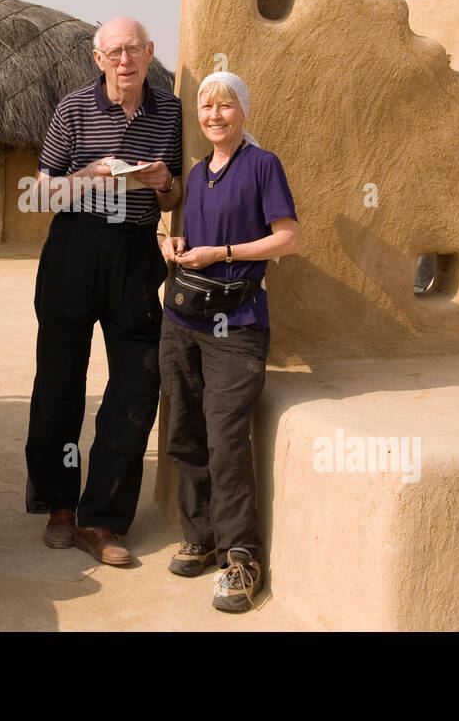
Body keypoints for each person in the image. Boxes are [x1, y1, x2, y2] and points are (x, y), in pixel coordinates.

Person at [25, 17, 183, 565]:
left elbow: (173, 195)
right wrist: (88, 175)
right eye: (114, 51)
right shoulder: (73, 108)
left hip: (135, 254)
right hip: (73, 248)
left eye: (134, 49)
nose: (124, 60)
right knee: (60, 382)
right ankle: (60, 506)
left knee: (137, 386)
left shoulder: (172, 111)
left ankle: (103, 519)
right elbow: (40, 193)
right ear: (98, 58)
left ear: (149, 53)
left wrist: (164, 182)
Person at [159, 71, 298, 613]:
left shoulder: (263, 166)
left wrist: (224, 254)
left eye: (225, 106)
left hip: (236, 327)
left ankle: (242, 556)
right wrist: (179, 244)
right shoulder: (197, 173)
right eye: (205, 107)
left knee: (226, 440)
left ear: (243, 111)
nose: (214, 115)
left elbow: (288, 237)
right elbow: (193, 236)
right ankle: (201, 534)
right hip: (185, 321)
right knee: (185, 433)